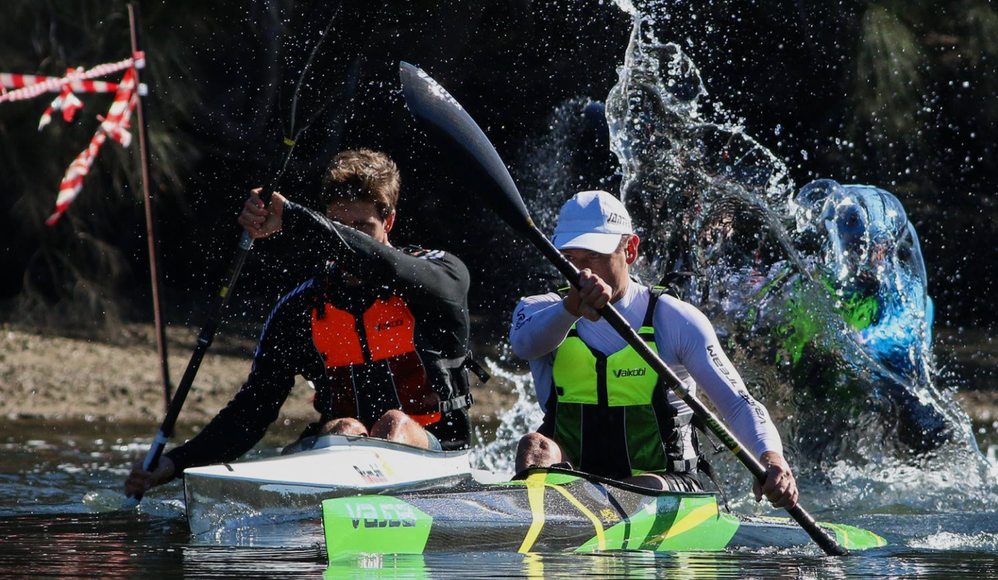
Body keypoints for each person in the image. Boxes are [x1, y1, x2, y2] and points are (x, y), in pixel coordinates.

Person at [125, 149, 481, 498]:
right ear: (328, 221)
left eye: (362, 227)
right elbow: (251, 413)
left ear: (388, 222)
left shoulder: (438, 279)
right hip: (341, 456)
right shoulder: (301, 309)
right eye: (340, 227)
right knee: (345, 427)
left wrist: (295, 217)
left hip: (436, 456)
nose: (347, 241)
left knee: (394, 423)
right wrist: (174, 463)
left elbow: (384, 265)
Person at [510, 190, 798, 508]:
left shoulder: (674, 320)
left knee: (639, 488)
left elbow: (739, 405)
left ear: (630, 250)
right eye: (571, 259)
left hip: (664, 485)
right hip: (576, 480)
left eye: (593, 256)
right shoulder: (542, 311)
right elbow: (523, 345)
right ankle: (539, 519)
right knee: (534, 446)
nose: (583, 273)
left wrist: (771, 458)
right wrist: (570, 309)